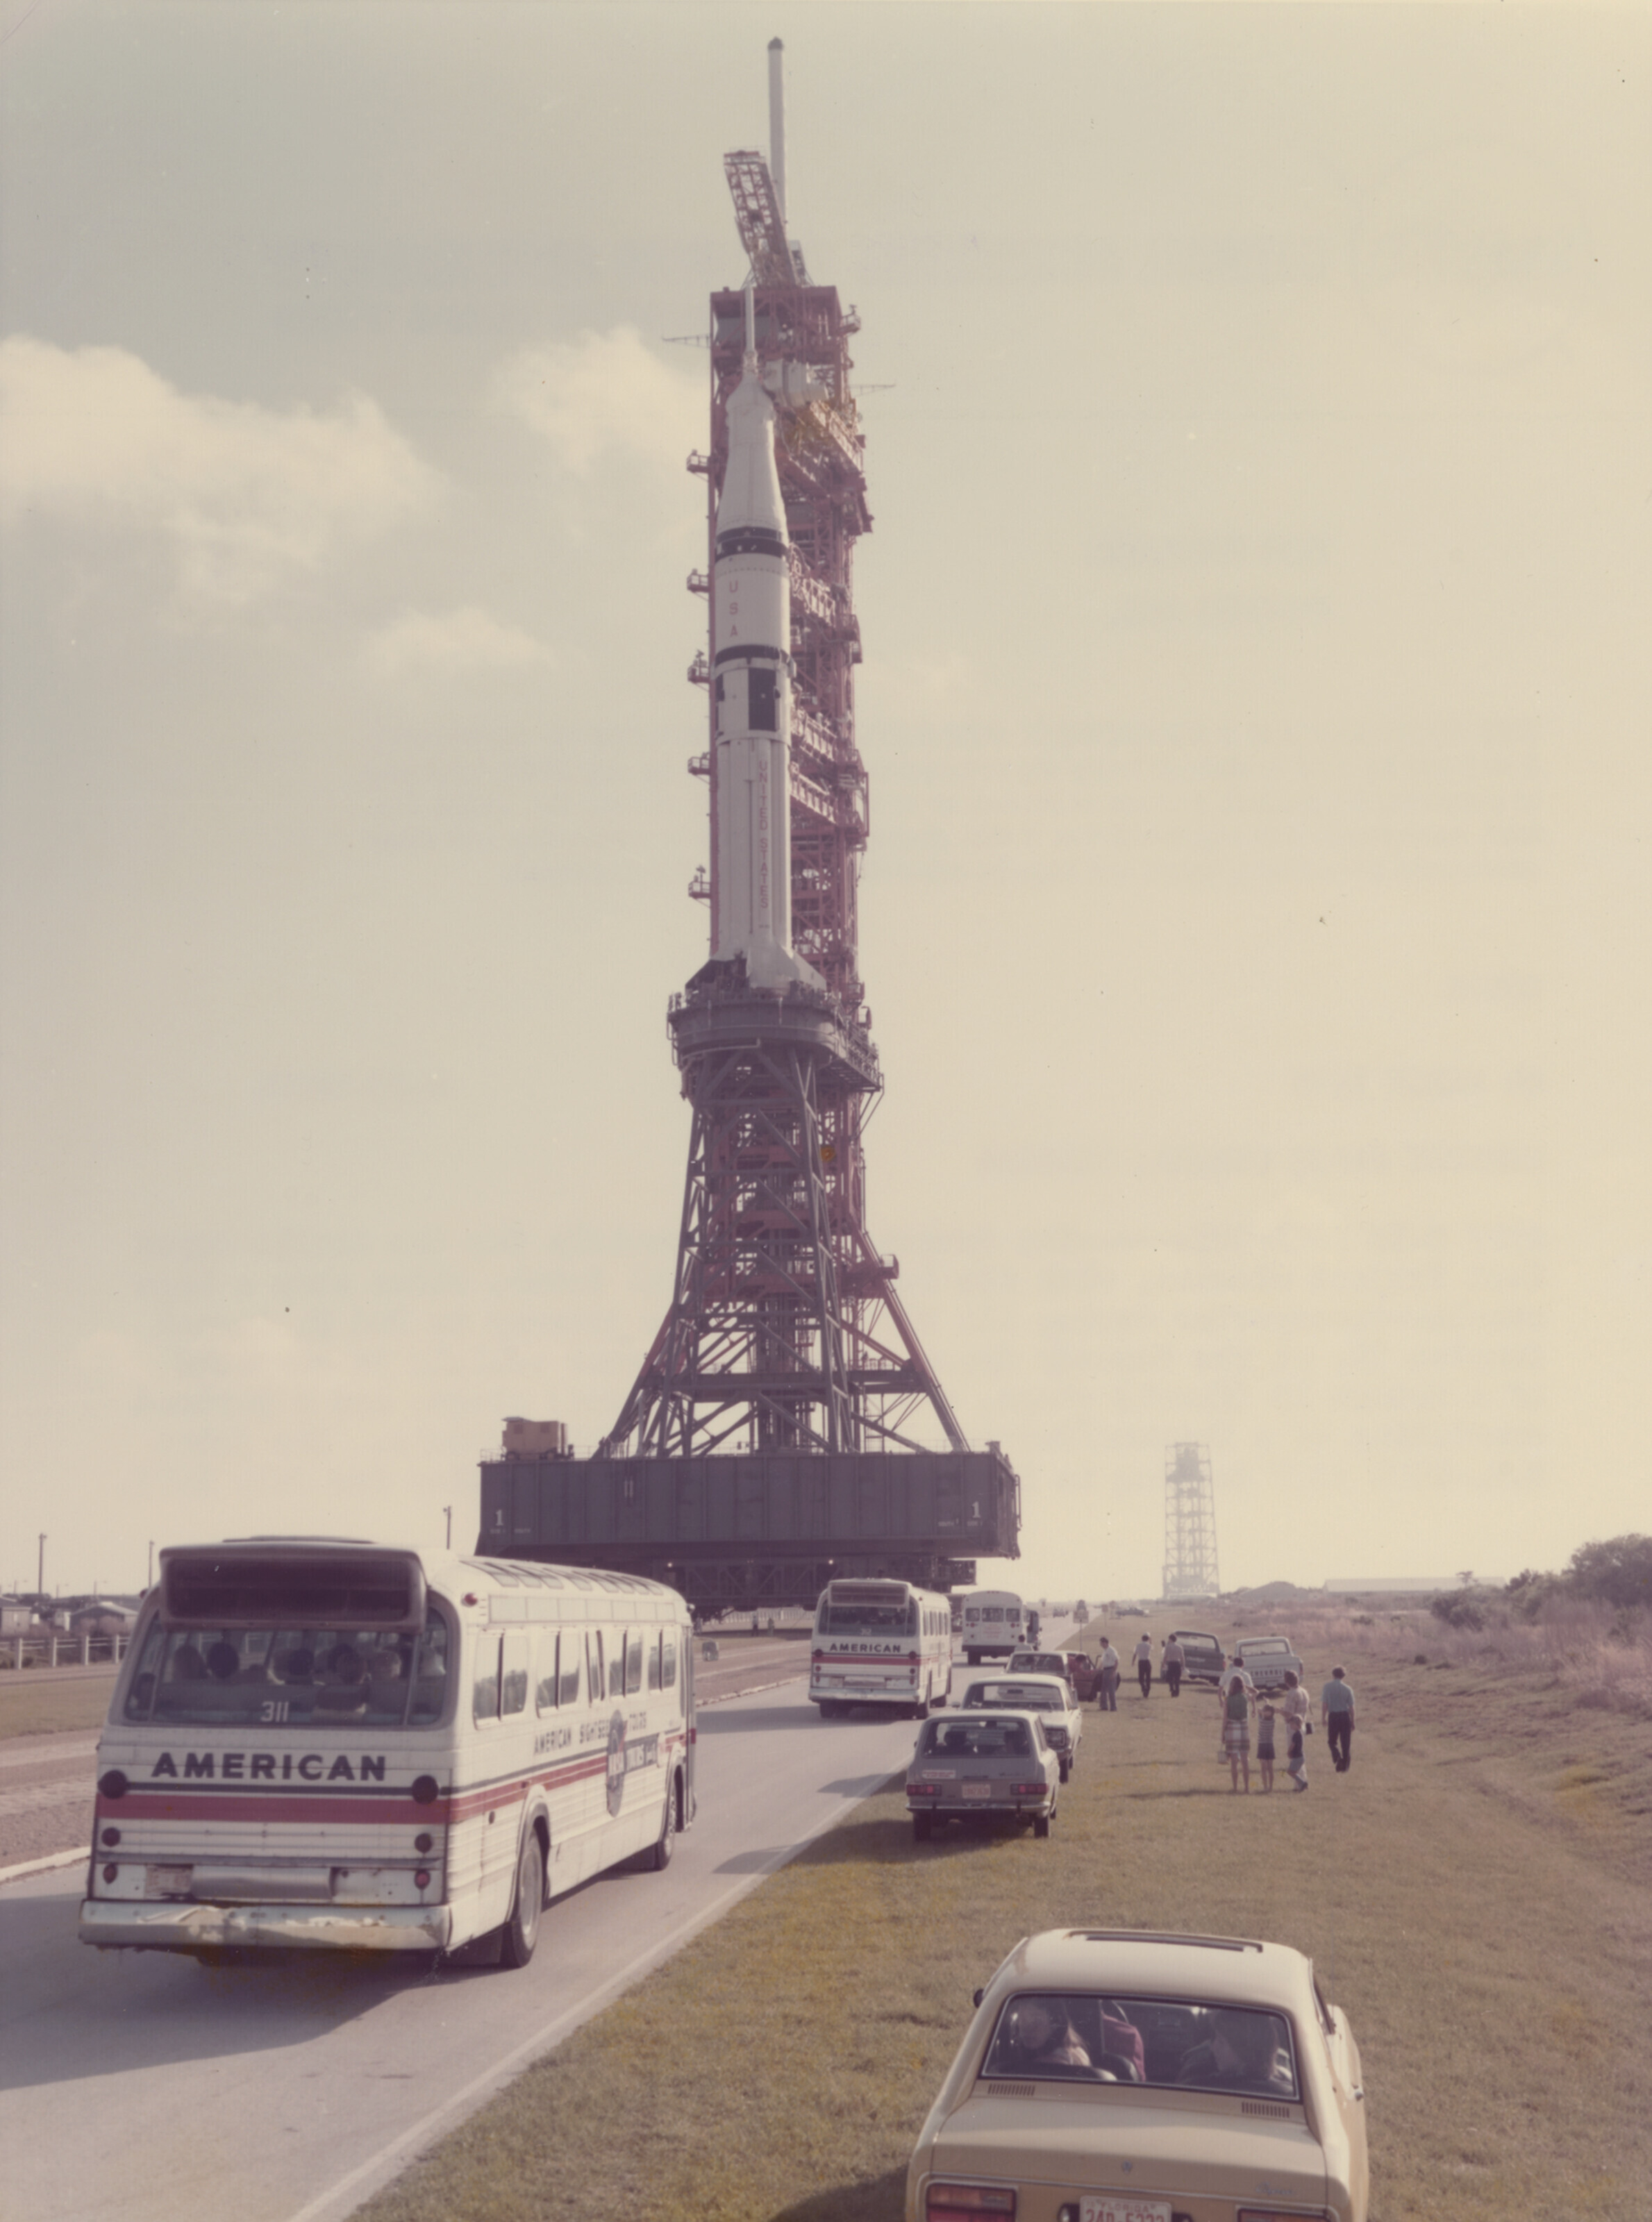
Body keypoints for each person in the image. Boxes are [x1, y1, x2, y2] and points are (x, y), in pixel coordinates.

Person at [1178, 2011, 1294, 2097]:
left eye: (1221, 2042)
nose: (1213, 2048)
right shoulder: (1288, 2087)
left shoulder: (1201, 2087)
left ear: (1244, 2049)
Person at [1276, 1669, 1309, 1790]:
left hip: (1293, 1726)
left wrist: (1279, 1711)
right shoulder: (1303, 1691)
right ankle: (1303, 1780)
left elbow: (1289, 1714)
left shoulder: (1292, 1693)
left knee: (1294, 1755)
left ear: (1287, 1681)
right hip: (1303, 1725)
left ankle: (1299, 1784)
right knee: (1300, 1754)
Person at [1221, 1666, 1252, 1791]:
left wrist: (1222, 1734)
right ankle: (1246, 1788)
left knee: (1234, 1760)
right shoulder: (1245, 1698)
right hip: (1244, 1726)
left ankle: (1235, 1788)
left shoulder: (1228, 1700)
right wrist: (1246, 1686)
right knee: (1245, 1759)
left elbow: (1225, 1718)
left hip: (1232, 1726)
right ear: (1242, 1686)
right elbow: (1256, 1692)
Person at [1321, 1665, 1355, 1772]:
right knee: (1346, 1744)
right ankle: (1345, 1768)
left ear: (1333, 1675)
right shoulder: (1348, 1688)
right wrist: (1353, 1721)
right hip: (1345, 1717)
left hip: (1333, 1717)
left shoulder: (1327, 1687)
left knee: (1332, 1742)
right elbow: (1351, 1707)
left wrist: (1323, 1718)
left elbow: (1325, 1704)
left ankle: (1337, 1757)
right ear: (1343, 1676)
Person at [1255, 1697, 1278, 1792]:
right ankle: (1267, 1787)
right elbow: (1263, 1711)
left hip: (1264, 1745)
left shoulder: (1262, 1720)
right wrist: (1267, 1702)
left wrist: (1263, 1709)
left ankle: (1268, 1787)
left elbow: (1259, 1711)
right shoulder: (1273, 1720)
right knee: (1267, 1767)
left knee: (1266, 1767)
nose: (1267, 1713)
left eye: (1268, 1711)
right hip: (1269, 1745)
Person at [1096, 1637, 1119, 1712]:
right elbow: (1103, 1661)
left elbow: (1116, 1661)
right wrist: (1098, 1669)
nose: (1100, 1645)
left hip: (1111, 1670)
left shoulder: (1111, 1650)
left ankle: (1113, 1707)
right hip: (1105, 1671)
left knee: (1111, 1690)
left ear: (1105, 1643)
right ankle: (1104, 1706)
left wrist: (1113, 1673)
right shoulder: (1105, 1651)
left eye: (1101, 1643)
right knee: (1103, 1689)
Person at [1162, 1633, 1185, 1698]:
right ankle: (1177, 1692)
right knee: (1177, 1679)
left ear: (1170, 1639)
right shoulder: (1180, 1647)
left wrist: (1163, 1664)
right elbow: (1182, 1657)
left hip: (1171, 1663)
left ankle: (1172, 1689)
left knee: (1170, 1678)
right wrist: (1183, 1665)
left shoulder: (1168, 1647)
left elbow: (1165, 1657)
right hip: (1177, 1663)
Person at [1133, 1633, 1153, 1697]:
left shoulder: (1138, 1645)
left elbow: (1135, 1654)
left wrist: (1133, 1661)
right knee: (1148, 1677)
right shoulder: (1149, 1645)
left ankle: (1143, 1687)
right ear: (1148, 1639)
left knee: (1141, 1677)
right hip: (1147, 1661)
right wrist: (1151, 1640)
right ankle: (1147, 1690)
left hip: (1141, 1662)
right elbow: (1152, 1648)